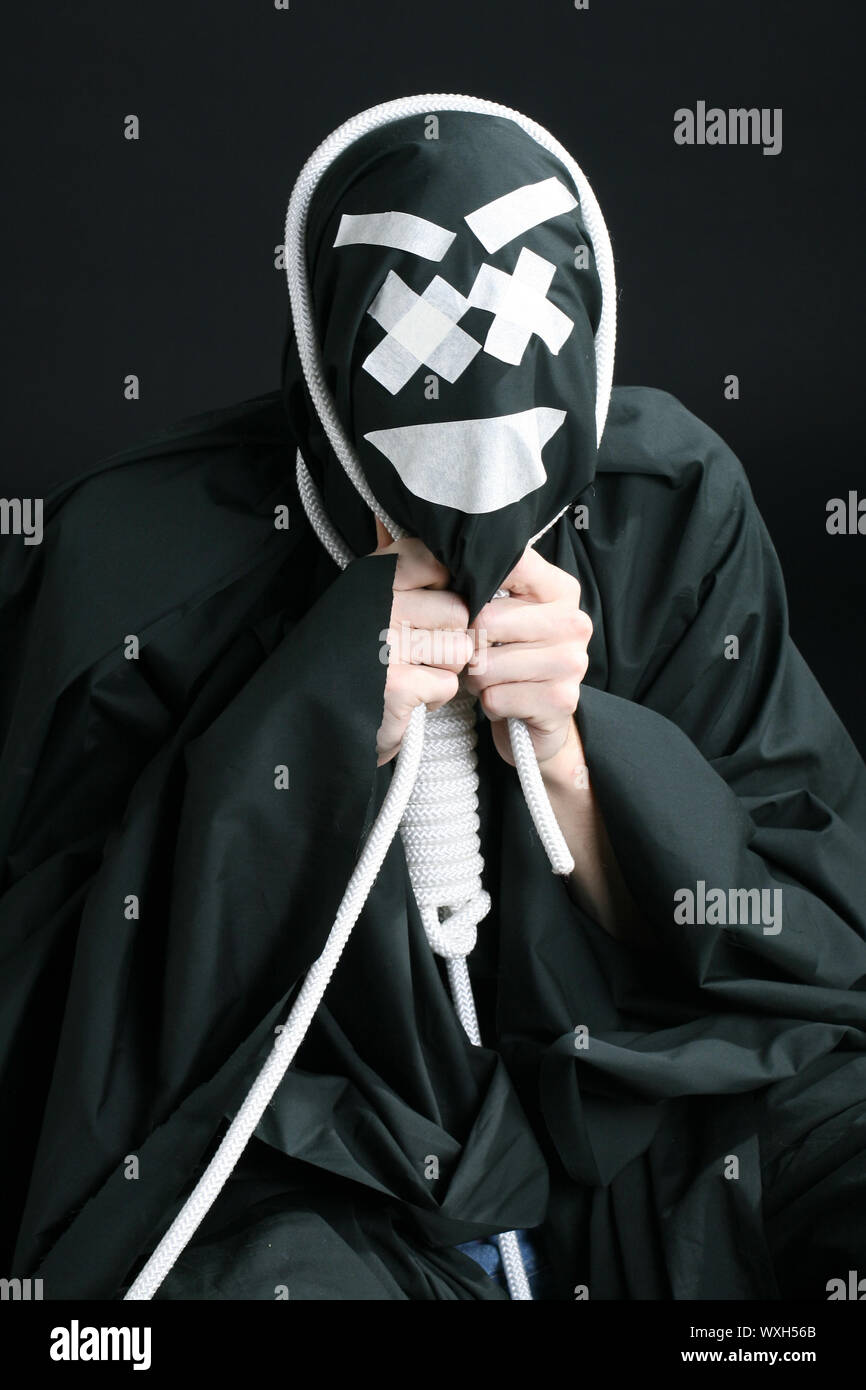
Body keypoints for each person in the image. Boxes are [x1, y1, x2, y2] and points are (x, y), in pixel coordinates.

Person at [2, 94, 865, 1303]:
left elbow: (800, 918)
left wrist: (576, 755)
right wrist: (305, 731)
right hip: (308, 1141)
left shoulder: (660, 503)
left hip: (638, 1083)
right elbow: (62, 1010)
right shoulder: (136, 559)